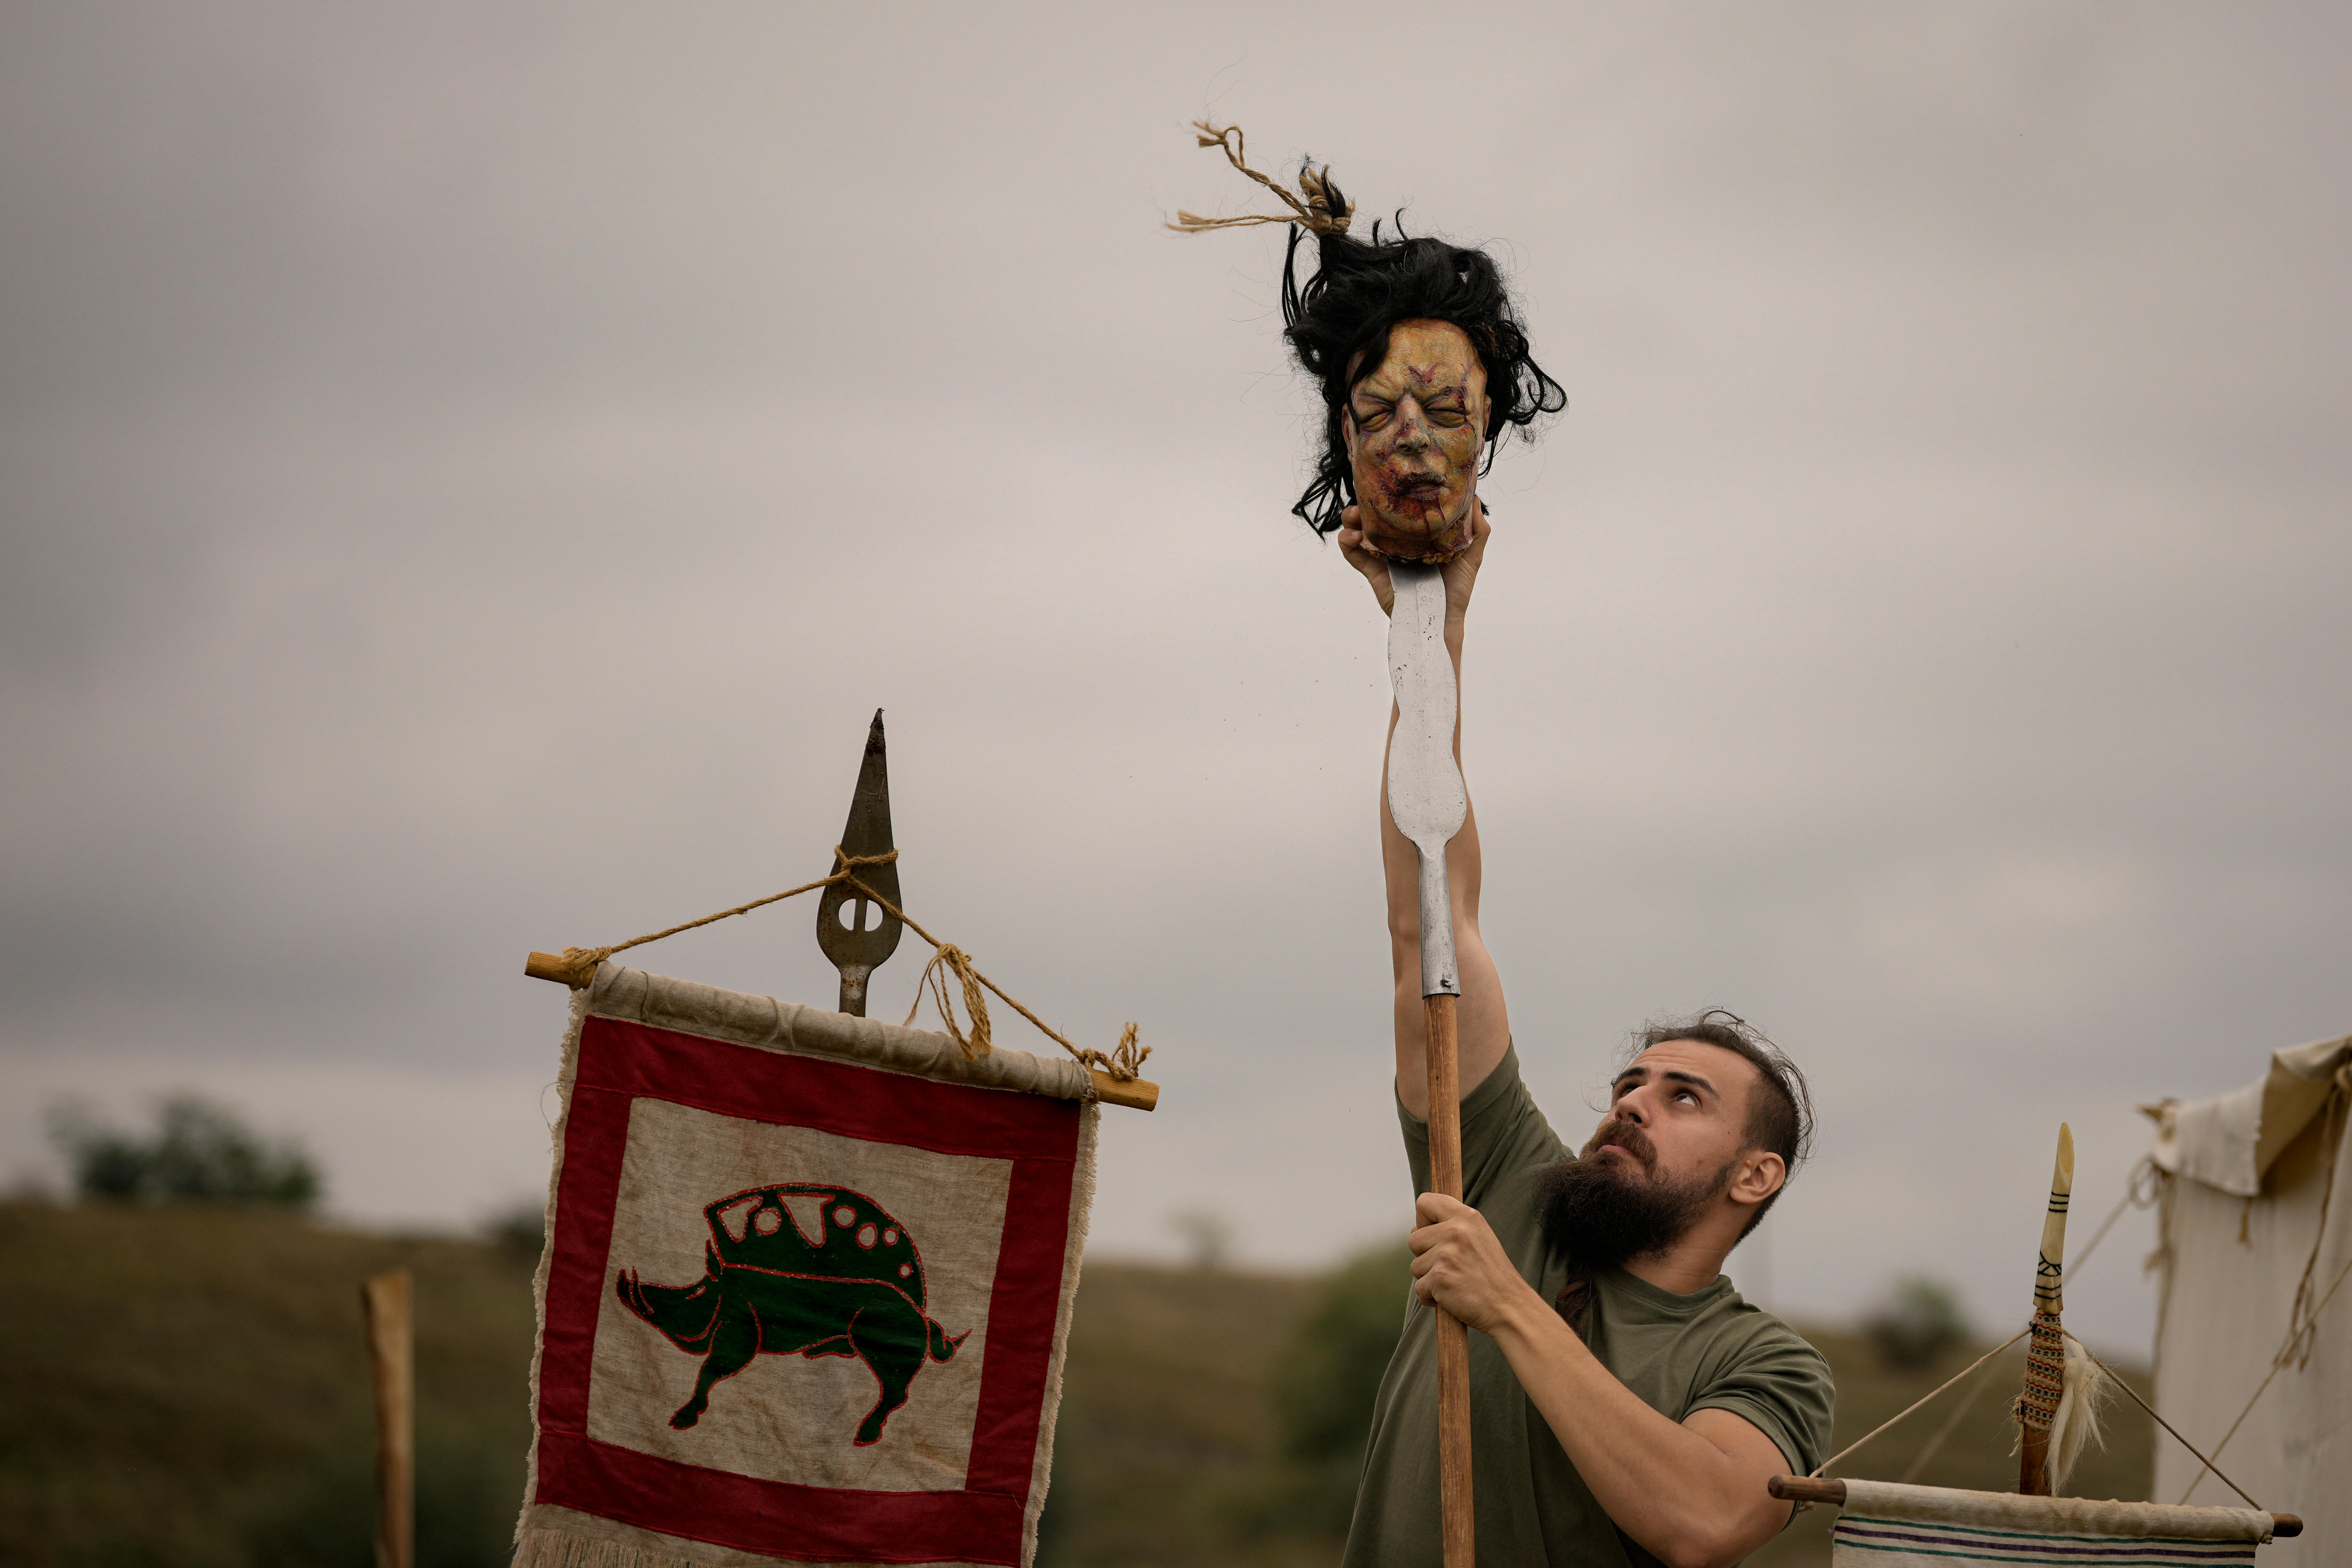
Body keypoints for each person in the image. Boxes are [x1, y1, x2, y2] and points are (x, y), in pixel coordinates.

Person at [1335, 500, 1836, 1568]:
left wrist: (1507, 1303)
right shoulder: (1509, 1181)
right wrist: (1431, 637)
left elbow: (1700, 1520)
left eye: (1682, 1096)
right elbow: (1433, 917)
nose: (1631, 1100)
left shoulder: (1762, 1362)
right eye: (1633, 1079)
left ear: (1756, 1175)